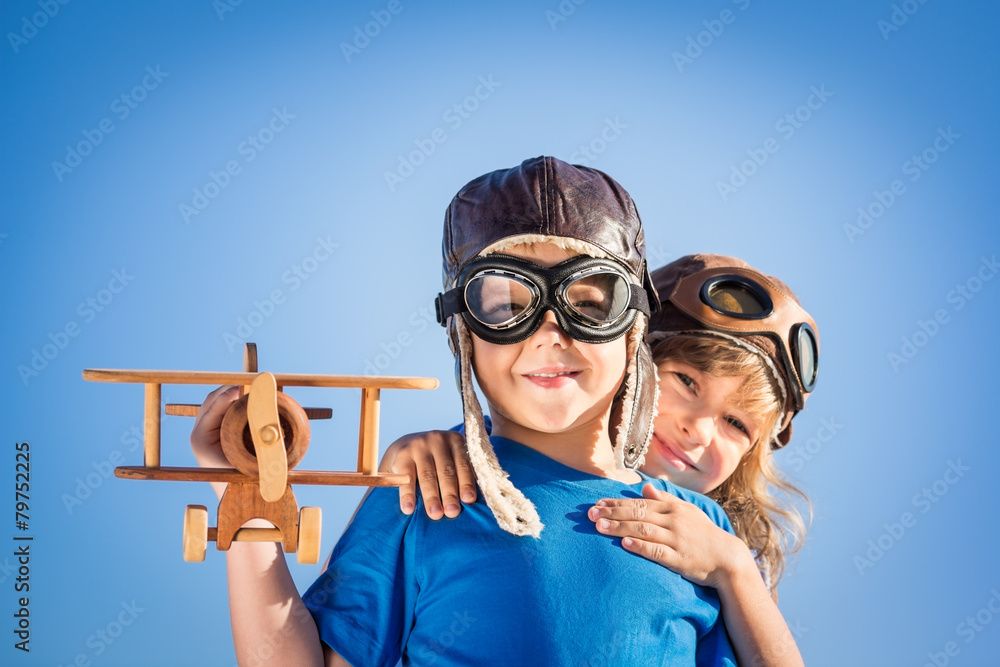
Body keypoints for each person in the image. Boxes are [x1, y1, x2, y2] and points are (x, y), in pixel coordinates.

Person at [191, 156, 739, 665]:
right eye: (505, 306)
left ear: (634, 325)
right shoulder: (425, 493)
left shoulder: (699, 531)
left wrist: (737, 571)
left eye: (589, 305)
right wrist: (246, 503)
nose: (550, 333)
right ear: (463, 332)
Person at [381, 253, 817, 666]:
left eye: (737, 424)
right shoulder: (469, 473)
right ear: (630, 357)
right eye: (686, 381)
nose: (698, 430)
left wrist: (735, 567)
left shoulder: (720, 550)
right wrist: (412, 456)